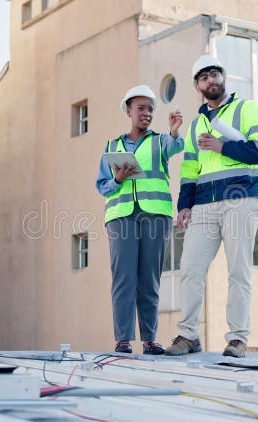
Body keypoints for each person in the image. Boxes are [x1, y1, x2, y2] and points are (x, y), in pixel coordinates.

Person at [165, 56, 258, 358]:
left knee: (239, 270)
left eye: (215, 74)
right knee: (189, 269)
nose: (210, 80)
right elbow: (189, 168)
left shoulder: (247, 109)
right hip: (203, 205)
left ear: (223, 78)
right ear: (197, 86)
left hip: (242, 198)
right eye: (204, 77)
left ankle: (237, 338)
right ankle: (188, 336)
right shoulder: (196, 124)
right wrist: (184, 205)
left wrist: (222, 146)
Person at [95, 85, 184, 354]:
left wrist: (175, 129)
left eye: (150, 109)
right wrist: (117, 179)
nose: (146, 113)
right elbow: (102, 186)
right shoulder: (112, 146)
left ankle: (149, 340)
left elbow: (176, 146)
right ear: (129, 111)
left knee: (149, 278)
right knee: (124, 278)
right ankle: (123, 339)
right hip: (121, 216)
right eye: (141, 108)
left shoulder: (161, 141)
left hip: (155, 216)